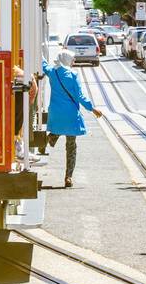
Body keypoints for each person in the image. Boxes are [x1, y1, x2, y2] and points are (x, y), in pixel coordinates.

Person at [41, 50, 103, 188]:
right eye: (73, 59)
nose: (74, 62)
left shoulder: (52, 72)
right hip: (70, 116)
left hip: (56, 114)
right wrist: (92, 109)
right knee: (71, 147)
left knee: (56, 132)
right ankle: (68, 177)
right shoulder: (73, 75)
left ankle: (45, 141)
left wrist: (37, 50)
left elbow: (43, 64)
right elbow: (80, 96)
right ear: (67, 60)